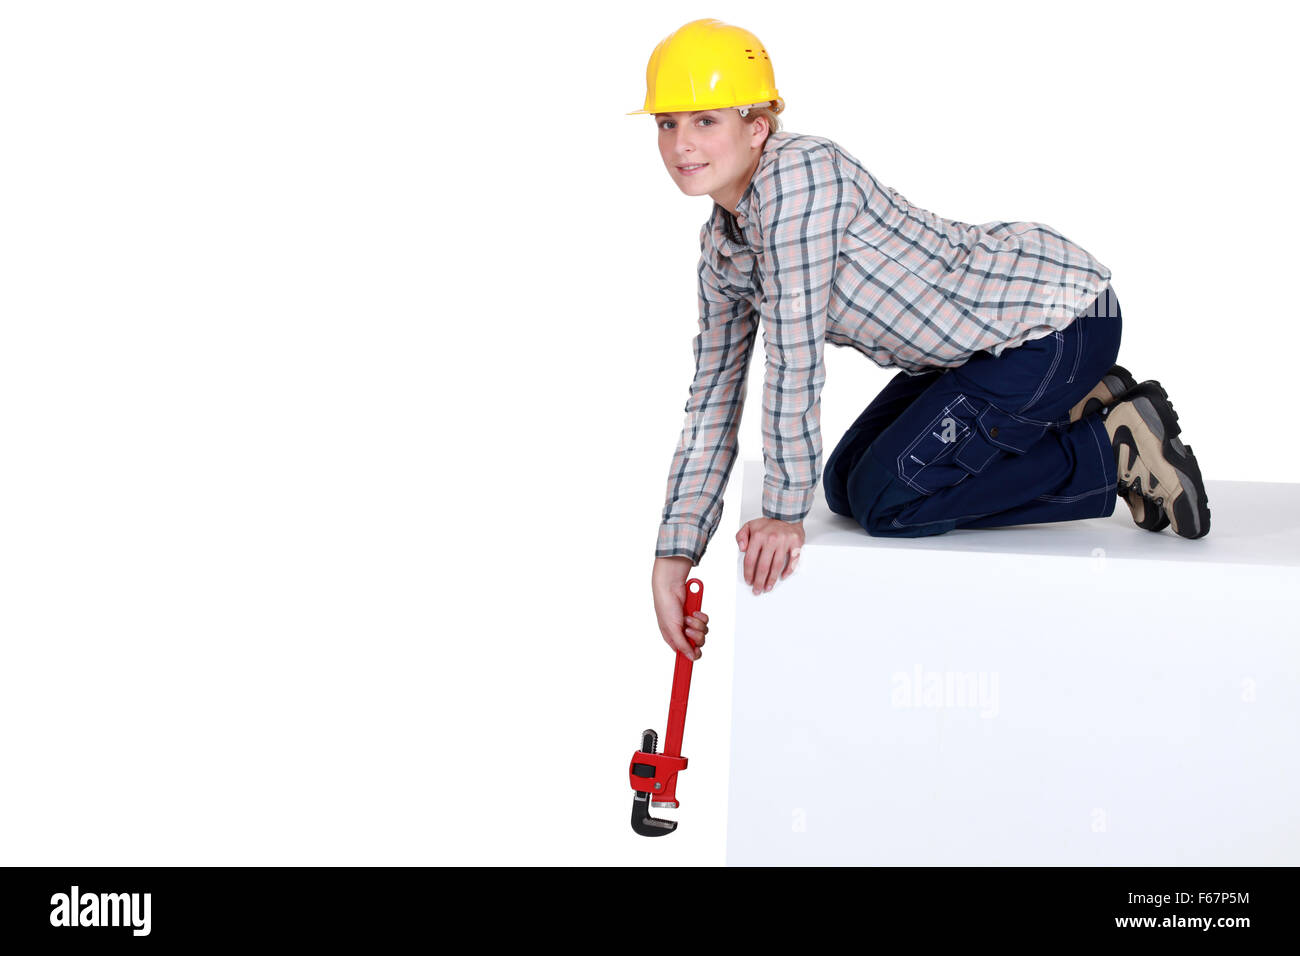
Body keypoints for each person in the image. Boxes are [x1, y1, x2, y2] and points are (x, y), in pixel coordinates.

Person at [633, 19, 1210, 661]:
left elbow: (794, 358)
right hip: (980, 348)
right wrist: (675, 549)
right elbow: (712, 400)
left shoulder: (797, 178)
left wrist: (780, 511)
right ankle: (1076, 401)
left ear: (757, 126)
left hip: (1058, 322)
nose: (682, 144)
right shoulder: (723, 249)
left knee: (889, 503)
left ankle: (1110, 444)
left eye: (705, 120)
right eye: (667, 123)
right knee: (847, 483)